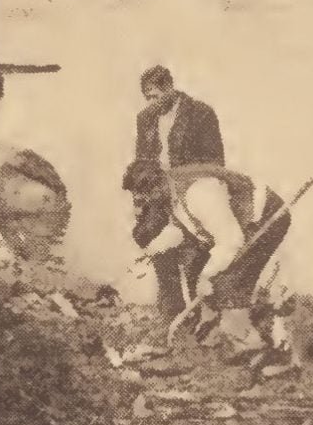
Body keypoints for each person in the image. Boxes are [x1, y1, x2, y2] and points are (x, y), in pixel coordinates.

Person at [123, 159, 293, 354]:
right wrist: (153, 250)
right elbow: (188, 226)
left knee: (226, 282)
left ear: (156, 186)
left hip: (266, 215)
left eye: (146, 197)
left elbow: (231, 240)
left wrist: (207, 276)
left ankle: (249, 343)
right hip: (232, 225)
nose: (146, 203)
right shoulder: (170, 191)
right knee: (197, 264)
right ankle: (212, 323)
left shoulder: (199, 192)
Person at [135, 66, 224, 170]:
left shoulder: (201, 113)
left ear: (169, 89)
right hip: (156, 184)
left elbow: (215, 164)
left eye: (155, 97)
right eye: (147, 98)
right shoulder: (144, 118)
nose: (151, 103)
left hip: (194, 182)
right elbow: (141, 163)